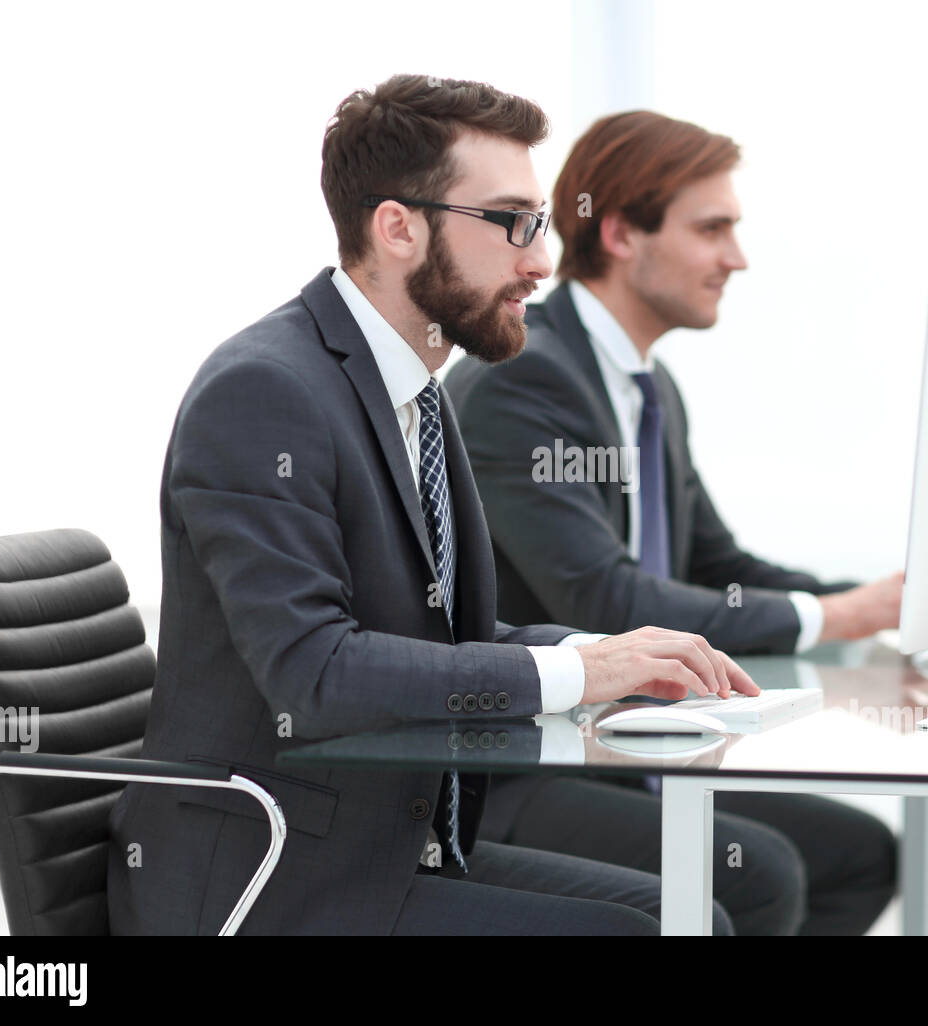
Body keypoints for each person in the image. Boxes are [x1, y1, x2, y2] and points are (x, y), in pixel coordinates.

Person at [106, 78, 760, 936]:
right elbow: (317, 673)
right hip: (267, 876)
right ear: (398, 226)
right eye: (512, 224)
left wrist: (606, 653)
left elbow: (429, 641)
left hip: (388, 844)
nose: (539, 261)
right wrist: (576, 675)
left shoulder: (413, 387)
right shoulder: (266, 392)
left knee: (690, 916)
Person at [446, 111, 904, 935]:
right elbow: (612, 602)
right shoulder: (524, 381)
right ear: (621, 233)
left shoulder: (643, 388)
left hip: (623, 746)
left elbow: (716, 563)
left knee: (861, 852)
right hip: (527, 768)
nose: (738, 256)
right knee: (760, 875)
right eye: (712, 228)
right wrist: (838, 618)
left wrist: (882, 599)